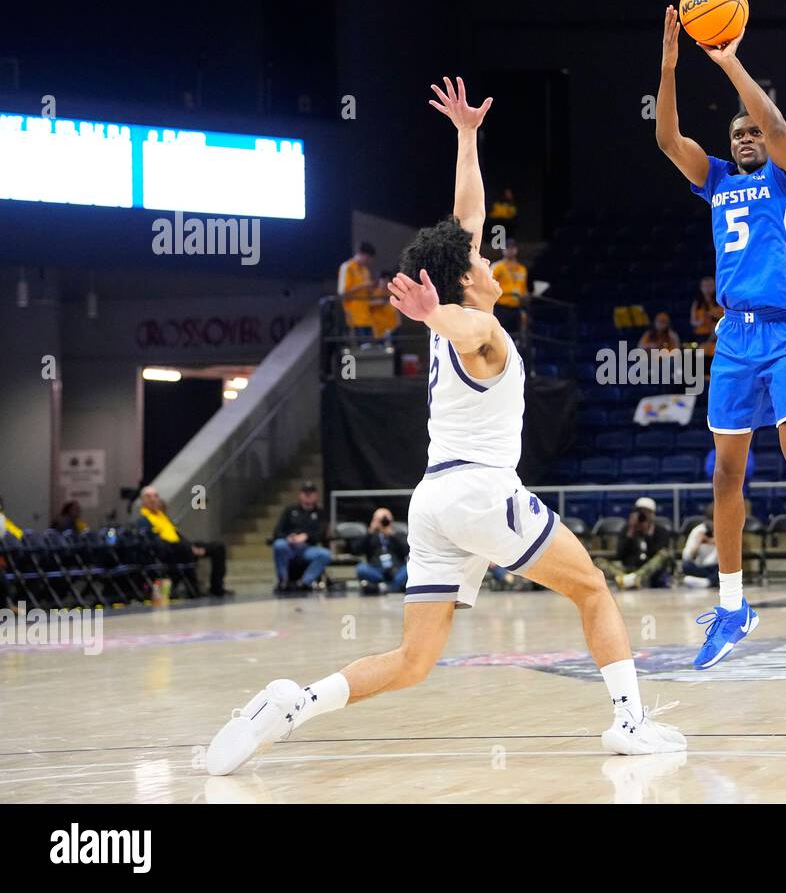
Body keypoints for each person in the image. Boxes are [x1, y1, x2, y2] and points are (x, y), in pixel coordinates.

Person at [205, 78, 683, 777]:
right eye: (484, 262)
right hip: (481, 494)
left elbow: (466, 216)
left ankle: (294, 704)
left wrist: (466, 136)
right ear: (464, 284)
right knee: (592, 589)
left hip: (432, 503)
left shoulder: (455, 313)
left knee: (413, 661)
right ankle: (629, 722)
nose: (493, 261)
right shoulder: (475, 325)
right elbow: (463, 320)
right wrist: (436, 313)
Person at [655, 5, 786, 673]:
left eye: (752, 132)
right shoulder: (714, 180)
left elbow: (773, 122)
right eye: (737, 132)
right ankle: (734, 607)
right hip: (735, 338)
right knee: (727, 476)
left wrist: (728, 60)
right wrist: (671, 64)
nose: (747, 136)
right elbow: (666, 139)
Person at [137, 486, 231, 597]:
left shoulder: (162, 516)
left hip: (182, 545)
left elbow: (175, 534)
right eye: (149, 497)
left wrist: (190, 545)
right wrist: (189, 548)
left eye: (155, 496)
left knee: (218, 547)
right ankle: (194, 589)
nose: (153, 499)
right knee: (183, 549)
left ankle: (217, 588)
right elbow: (155, 542)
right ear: (142, 500)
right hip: (169, 551)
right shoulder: (143, 520)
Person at [597, 497, 676, 590]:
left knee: (665, 554)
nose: (643, 516)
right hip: (629, 568)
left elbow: (656, 555)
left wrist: (647, 534)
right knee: (598, 561)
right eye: (640, 512)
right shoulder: (627, 530)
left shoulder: (661, 531)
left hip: (649, 570)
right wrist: (631, 532)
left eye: (646, 512)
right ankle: (629, 579)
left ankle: (631, 580)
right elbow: (620, 555)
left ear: (653, 514)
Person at [271, 481, 333, 593]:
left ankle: (305, 582)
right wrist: (289, 538)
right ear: (300, 494)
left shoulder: (320, 514)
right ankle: (283, 581)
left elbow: (321, 534)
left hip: (307, 548)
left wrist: (306, 537)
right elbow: (277, 531)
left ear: (316, 495)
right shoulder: (290, 511)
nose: (308, 495)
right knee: (279, 545)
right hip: (289, 546)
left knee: (325, 554)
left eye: (311, 492)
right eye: (305, 492)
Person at [356, 507, 409, 595]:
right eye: (379, 520)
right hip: (376, 570)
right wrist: (371, 531)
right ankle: (393, 587)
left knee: (409, 568)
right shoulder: (370, 536)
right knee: (361, 568)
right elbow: (357, 550)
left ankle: (382, 588)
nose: (383, 522)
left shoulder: (398, 534)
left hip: (396, 569)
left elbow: (406, 550)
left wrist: (391, 534)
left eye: (385, 519)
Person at [338, 242, 377, 337]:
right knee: (358, 350)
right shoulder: (347, 267)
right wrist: (363, 285)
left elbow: (369, 292)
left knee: (369, 349)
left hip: (367, 318)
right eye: (367, 258)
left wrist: (372, 288)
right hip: (353, 319)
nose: (368, 261)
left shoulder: (365, 270)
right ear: (360, 253)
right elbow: (342, 293)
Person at [491, 238, 528, 334]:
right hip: (500, 308)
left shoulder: (522, 269)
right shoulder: (497, 267)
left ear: (516, 250)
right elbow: (489, 285)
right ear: (503, 250)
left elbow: (523, 289)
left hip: (516, 308)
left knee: (515, 336)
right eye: (507, 247)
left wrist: (526, 297)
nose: (510, 250)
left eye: (513, 247)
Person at [681, 503, 719, 589]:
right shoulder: (698, 531)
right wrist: (698, 543)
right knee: (686, 566)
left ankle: (707, 582)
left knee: (722, 568)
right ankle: (710, 581)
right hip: (699, 567)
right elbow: (686, 556)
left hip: (715, 567)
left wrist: (716, 542)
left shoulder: (725, 531)